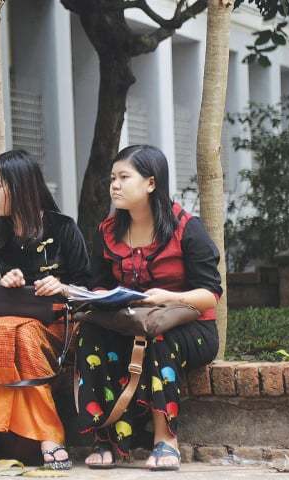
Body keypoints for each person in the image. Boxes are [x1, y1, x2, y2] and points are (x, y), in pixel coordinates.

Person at [77, 145, 221, 471]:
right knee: (91, 332)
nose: (115, 185)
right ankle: (105, 439)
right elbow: (97, 283)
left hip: (189, 326)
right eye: (113, 178)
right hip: (130, 321)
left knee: (158, 338)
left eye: (124, 177)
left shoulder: (187, 229)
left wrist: (166, 298)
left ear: (151, 183)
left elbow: (210, 295)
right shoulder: (107, 232)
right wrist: (102, 298)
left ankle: (165, 439)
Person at [0, 150, 90, 471]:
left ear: (21, 185)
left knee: (22, 332)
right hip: (1, 324)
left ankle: (45, 434)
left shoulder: (63, 228)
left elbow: (88, 288)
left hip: (56, 325)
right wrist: (2, 281)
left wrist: (62, 287)